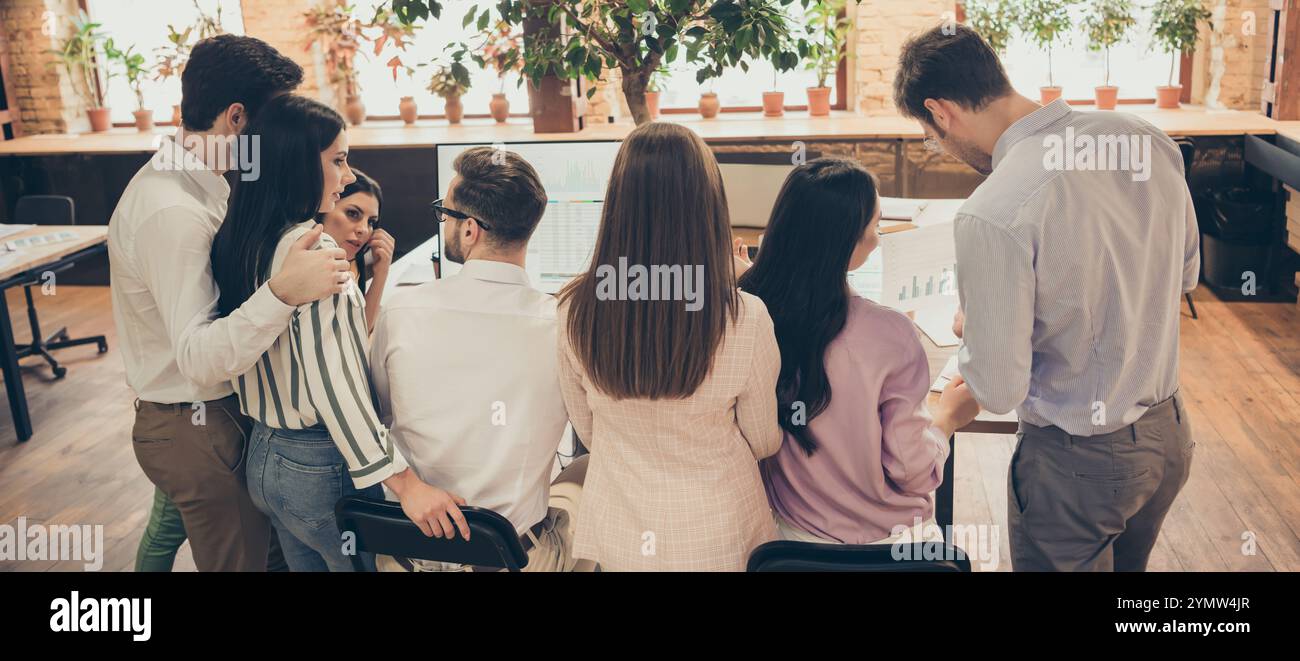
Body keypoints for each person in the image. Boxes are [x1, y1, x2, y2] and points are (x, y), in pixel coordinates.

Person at [893, 24, 1198, 571]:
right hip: (1169, 436)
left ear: (940, 112)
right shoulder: (1143, 137)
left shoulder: (994, 209)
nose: (937, 146)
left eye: (930, 134)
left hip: (1078, 464)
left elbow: (999, 386)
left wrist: (981, 325)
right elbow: (1183, 274)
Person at [110, 34, 350, 572]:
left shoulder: (209, 182)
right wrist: (285, 290)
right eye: (273, 123)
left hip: (222, 418)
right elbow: (196, 357)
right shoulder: (171, 210)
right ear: (238, 119)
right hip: (195, 422)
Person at [209, 94, 452, 572]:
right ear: (298, 162)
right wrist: (406, 484)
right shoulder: (316, 251)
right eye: (338, 160)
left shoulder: (250, 237)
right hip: (318, 467)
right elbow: (336, 384)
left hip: (263, 455)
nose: (345, 176)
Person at [555, 122, 782, 572]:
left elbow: (588, 430)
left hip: (621, 533)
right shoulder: (744, 316)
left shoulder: (572, 309)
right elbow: (763, 440)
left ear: (617, 203)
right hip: (718, 532)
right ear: (708, 206)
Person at [738, 158, 980, 545]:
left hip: (792, 544)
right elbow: (912, 470)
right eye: (876, 225)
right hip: (891, 550)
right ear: (849, 241)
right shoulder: (890, 334)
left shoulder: (748, 316)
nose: (879, 237)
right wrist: (947, 419)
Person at [370, 146, 585, 572]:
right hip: (512, 557)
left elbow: (379, 414)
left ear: (470, 231)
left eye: (444, 213)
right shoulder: (564, 327)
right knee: (582, 472)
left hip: (413, 554)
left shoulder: (400, 311)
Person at [315, 169, 394, 331]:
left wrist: (381, 273)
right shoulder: (309, 263)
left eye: (371, 222)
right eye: (353, 213)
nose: (364, 230)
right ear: (324, 208)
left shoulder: (349, 261)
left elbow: (360, 331)